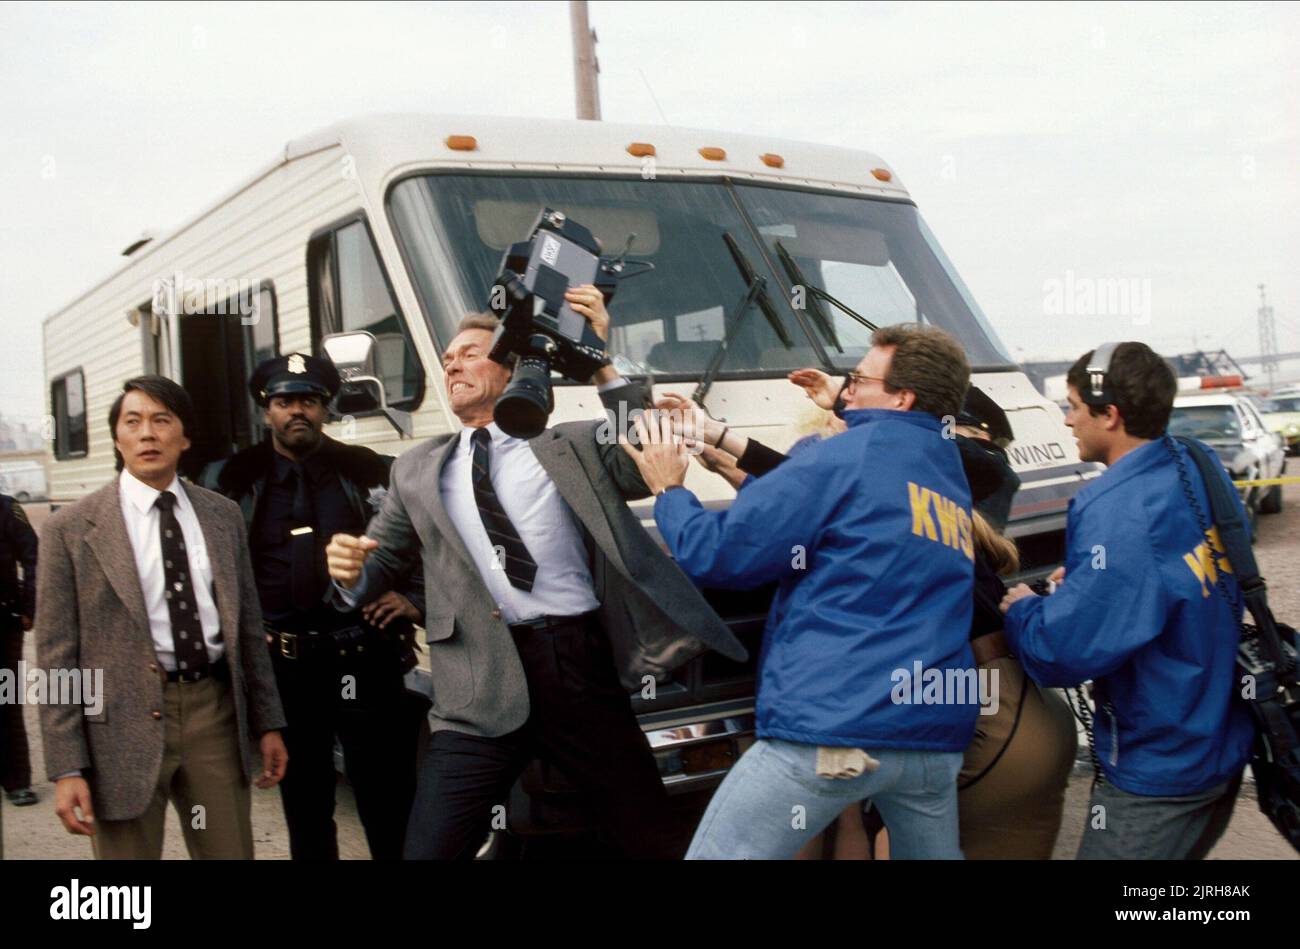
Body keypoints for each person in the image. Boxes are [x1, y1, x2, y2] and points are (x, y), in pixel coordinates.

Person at [325, 286, 746, 860]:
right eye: (447, 359)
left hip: (576, 667)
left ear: (509, 367)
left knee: (647, 835)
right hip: (475, 682)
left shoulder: (567, 445)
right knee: (431, 849)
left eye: (470, 353)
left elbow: (644, 446)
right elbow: (385, 561)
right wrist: (352, 573)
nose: (452, 364)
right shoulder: (415, 469)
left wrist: (601, 360)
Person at [623, 323, 980, 860]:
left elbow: (719, 555)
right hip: (932, 737)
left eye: (860, 379)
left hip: (838, 725)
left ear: (902, 396)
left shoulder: (846, 453)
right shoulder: (944, 467)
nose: (847, 389)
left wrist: (669, 488)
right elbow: (842, 513)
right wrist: (719, 440)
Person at [1000, 342, 1253, 860]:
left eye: (1072, 405)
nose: (1066, 420)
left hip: (1160, 767)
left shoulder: (1120, 509)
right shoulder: (1194, 462)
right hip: (1222, 737)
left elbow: (1061, 652)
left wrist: (1025, 607)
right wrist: (1102, 580)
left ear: (1109, 415)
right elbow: (1194, 565)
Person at [36, 375, 288, 859]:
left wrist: (268, 722)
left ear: (184, 436)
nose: (147, 433)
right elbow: (54, 657)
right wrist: (66, 767)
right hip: (116, 727)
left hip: (211, 712)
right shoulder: (71, 530)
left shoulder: (222, 516)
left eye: (161, 420)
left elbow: (249, 630)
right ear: (117, 438)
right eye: (133, 422)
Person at [200, 354, 429, 861]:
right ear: (267, 411)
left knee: (389, 805)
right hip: (285, 670)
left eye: (308, 400)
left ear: (326, 408)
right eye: (284, 402)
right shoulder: (230, 481)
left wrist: (415, 598)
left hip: (365, 660)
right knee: (306, 812)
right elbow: (206, 569)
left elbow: (428, 537)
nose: (296, 411)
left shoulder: (370, 470)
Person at [1, 491, 39, 811]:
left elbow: (33, 555)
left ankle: (17, 782)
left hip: (4, 621)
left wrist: (29, 605)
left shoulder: (6, 508)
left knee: (6, 700)